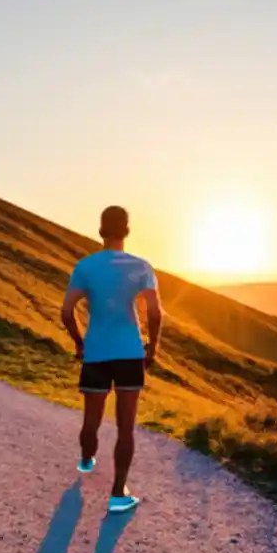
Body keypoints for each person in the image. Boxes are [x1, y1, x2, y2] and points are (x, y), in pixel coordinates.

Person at [60, 205, 163, 514]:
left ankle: (87, 459)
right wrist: (152, 347)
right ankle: (118, 493)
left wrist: (80, 343)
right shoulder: (141, 267)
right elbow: (155, 312)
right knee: (125, 428)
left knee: (91, 420)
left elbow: (67, 311)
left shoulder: (86, 267)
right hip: (130, 352)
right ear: (127, 231)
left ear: (101, 230)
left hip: (97, 352)